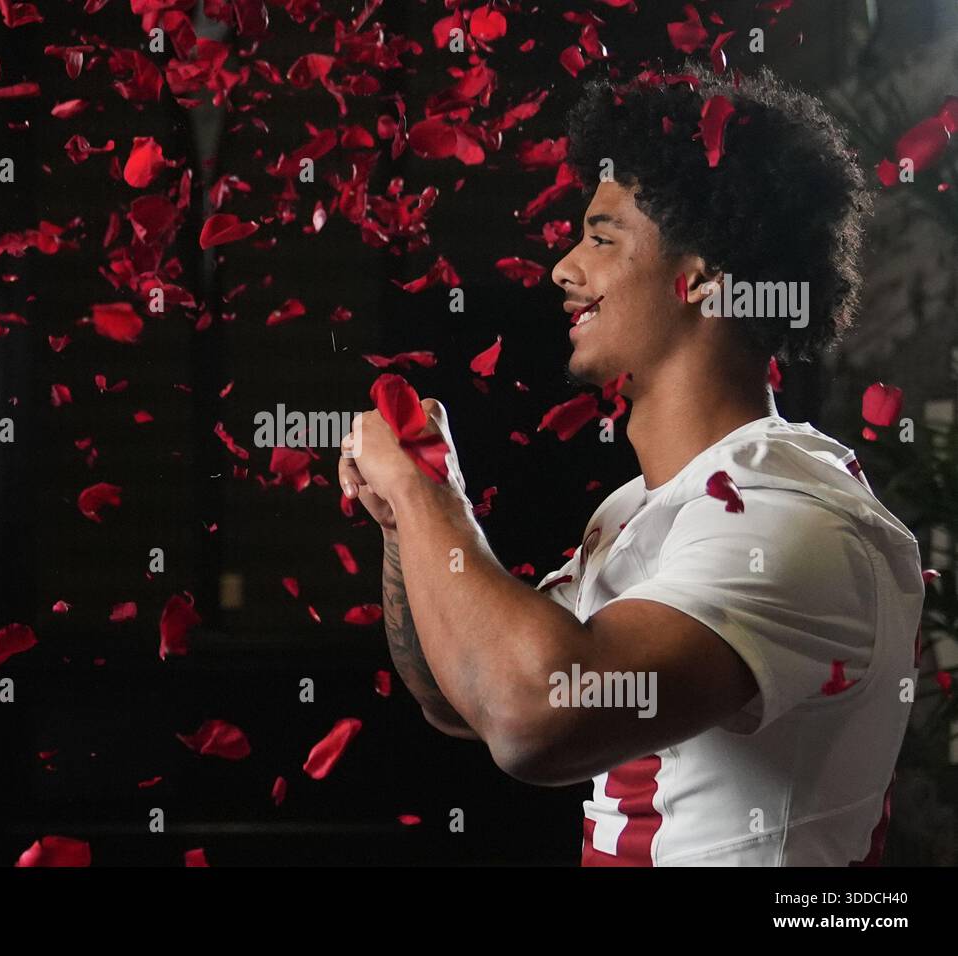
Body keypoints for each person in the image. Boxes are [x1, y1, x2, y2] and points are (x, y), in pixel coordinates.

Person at [338, 66, 925, 866]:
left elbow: (532, 716)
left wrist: (426, 491)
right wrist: (403, 520)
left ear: (704, 279)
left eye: (602, 238)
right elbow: (460, 694)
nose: (563, 269)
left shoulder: (792, 514)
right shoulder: (642, 510)